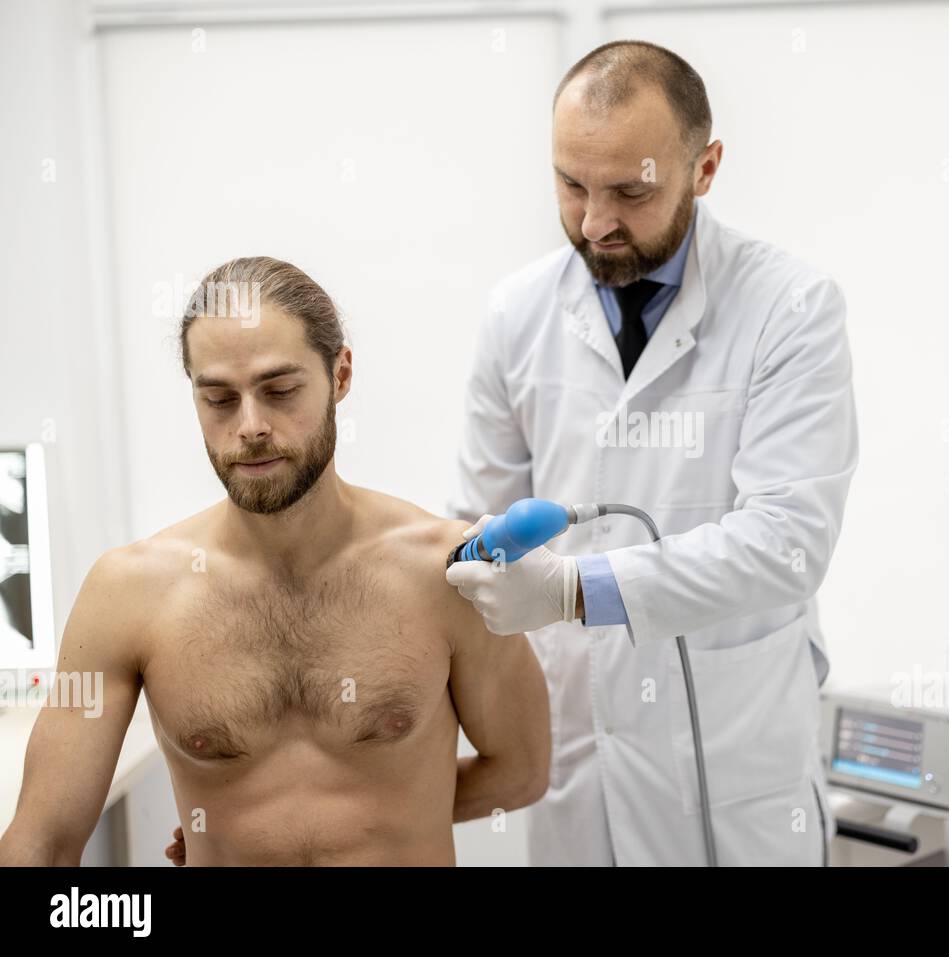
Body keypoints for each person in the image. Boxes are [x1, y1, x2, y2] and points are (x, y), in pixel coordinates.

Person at [445, 41, 858, 866]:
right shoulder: (516, 315)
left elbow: (785, 543)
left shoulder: (791, 310)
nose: (594, 222)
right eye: (571, 184)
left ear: (704, 169)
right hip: (577, 771)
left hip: (737, 781)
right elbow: (472, 536)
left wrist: (573, 589)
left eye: (631, 190)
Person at [0, 257, 549, 866]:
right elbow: (43, 843)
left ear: (340, 375)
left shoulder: (448, 571)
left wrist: (392, 814)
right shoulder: (129, 593)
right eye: (218, 399)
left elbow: (521, 770)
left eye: (280, 391)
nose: (251, 427)